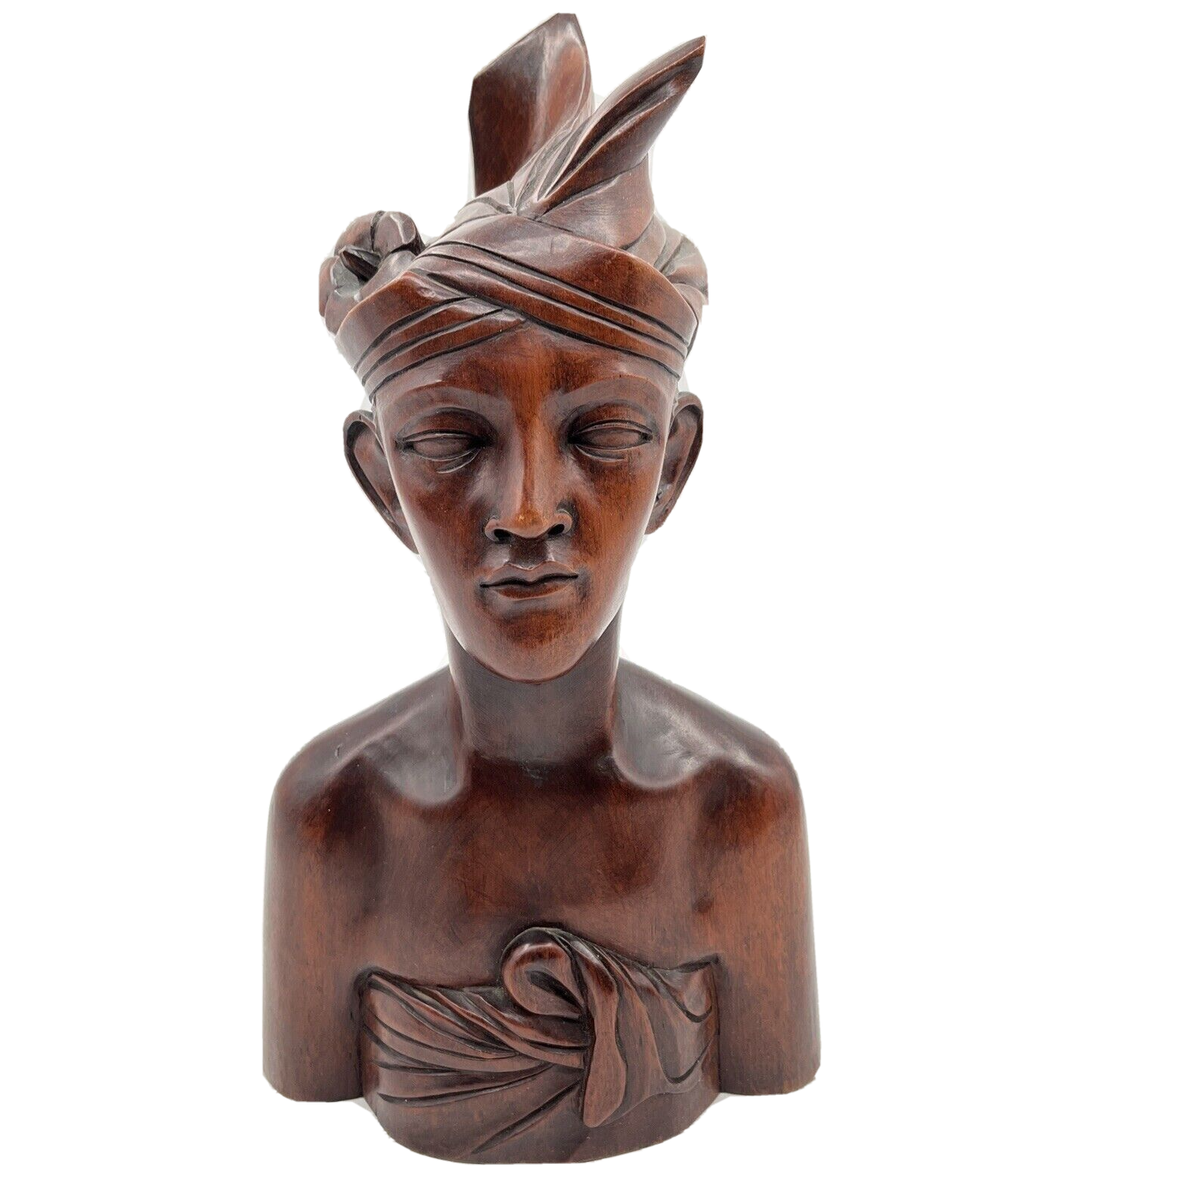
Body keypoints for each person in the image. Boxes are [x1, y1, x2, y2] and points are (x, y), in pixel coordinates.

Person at [264, 14, 819, 1163]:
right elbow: (294, 1162)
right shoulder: (334, 822)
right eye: (451, 439)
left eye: (601, 432)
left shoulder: (739, 811)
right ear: (380, 481)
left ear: (674, 464)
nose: (526, 510)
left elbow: (789, 1160)